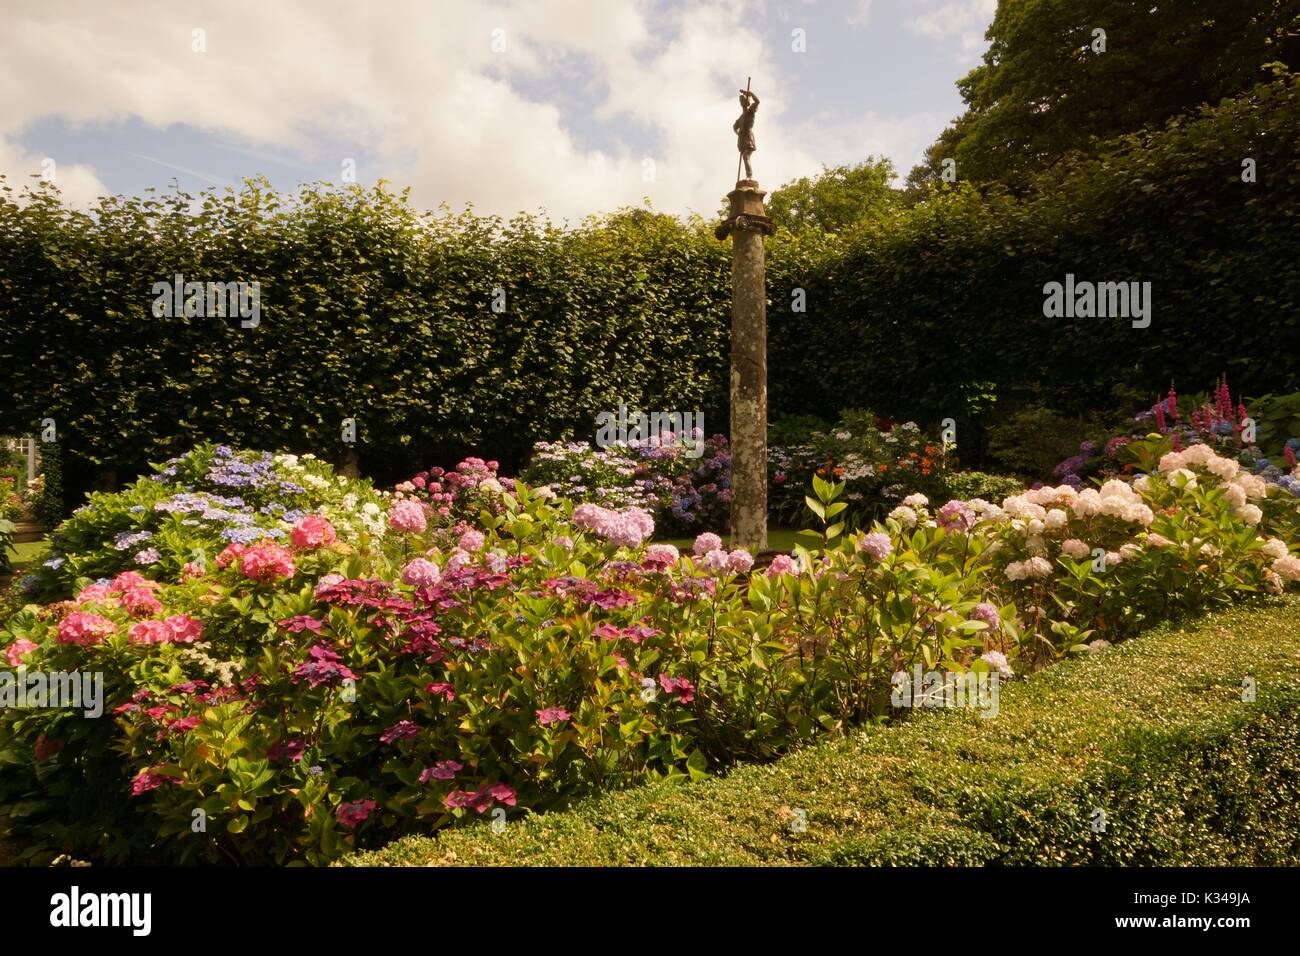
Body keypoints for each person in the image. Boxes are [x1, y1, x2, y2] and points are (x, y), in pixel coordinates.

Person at [734, 89, 759, 180]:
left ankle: (749, 176)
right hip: (742, 139)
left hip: (749, 137)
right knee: (745, 156)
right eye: (741, 101)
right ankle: (748, 176)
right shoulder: (741, 117)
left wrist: (750, 93)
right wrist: (738, 134)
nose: (742, 102)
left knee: (746, 156)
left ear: (747, 102)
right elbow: (734, 126)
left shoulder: (751, 111)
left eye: (743, 100)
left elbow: (757, 101)